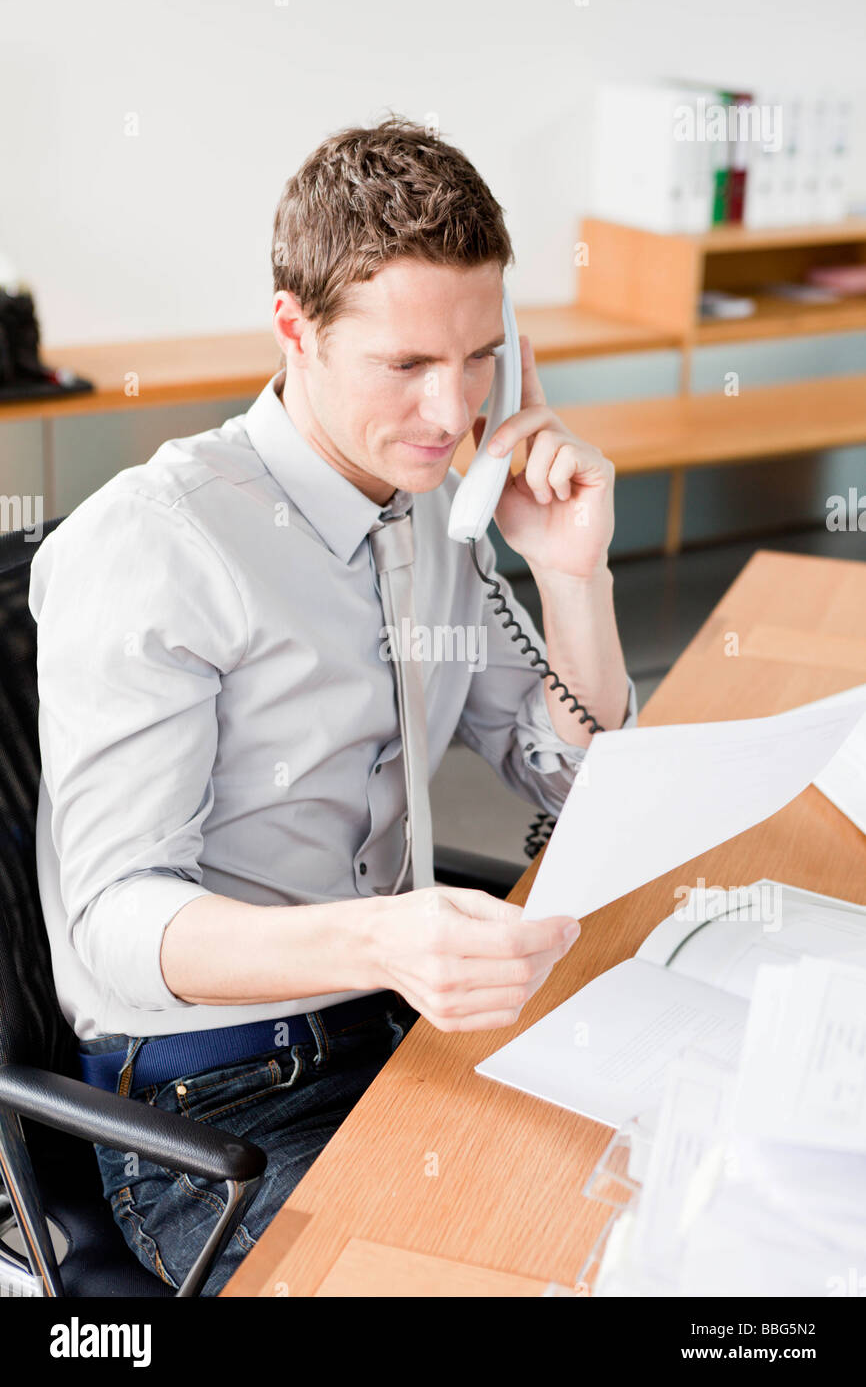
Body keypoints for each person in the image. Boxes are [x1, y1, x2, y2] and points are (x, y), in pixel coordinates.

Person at [28, 114, 636, 1295]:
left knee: (648, 1229)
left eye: (477, 357)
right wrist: (382, 938)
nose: (451, 410)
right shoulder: (157, 546)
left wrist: (571, 576)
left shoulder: (430, 505)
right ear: (293, 330)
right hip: (219, 1103)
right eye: (404, 365)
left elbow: (568, 776)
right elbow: (109, 927)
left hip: (406, 1028)